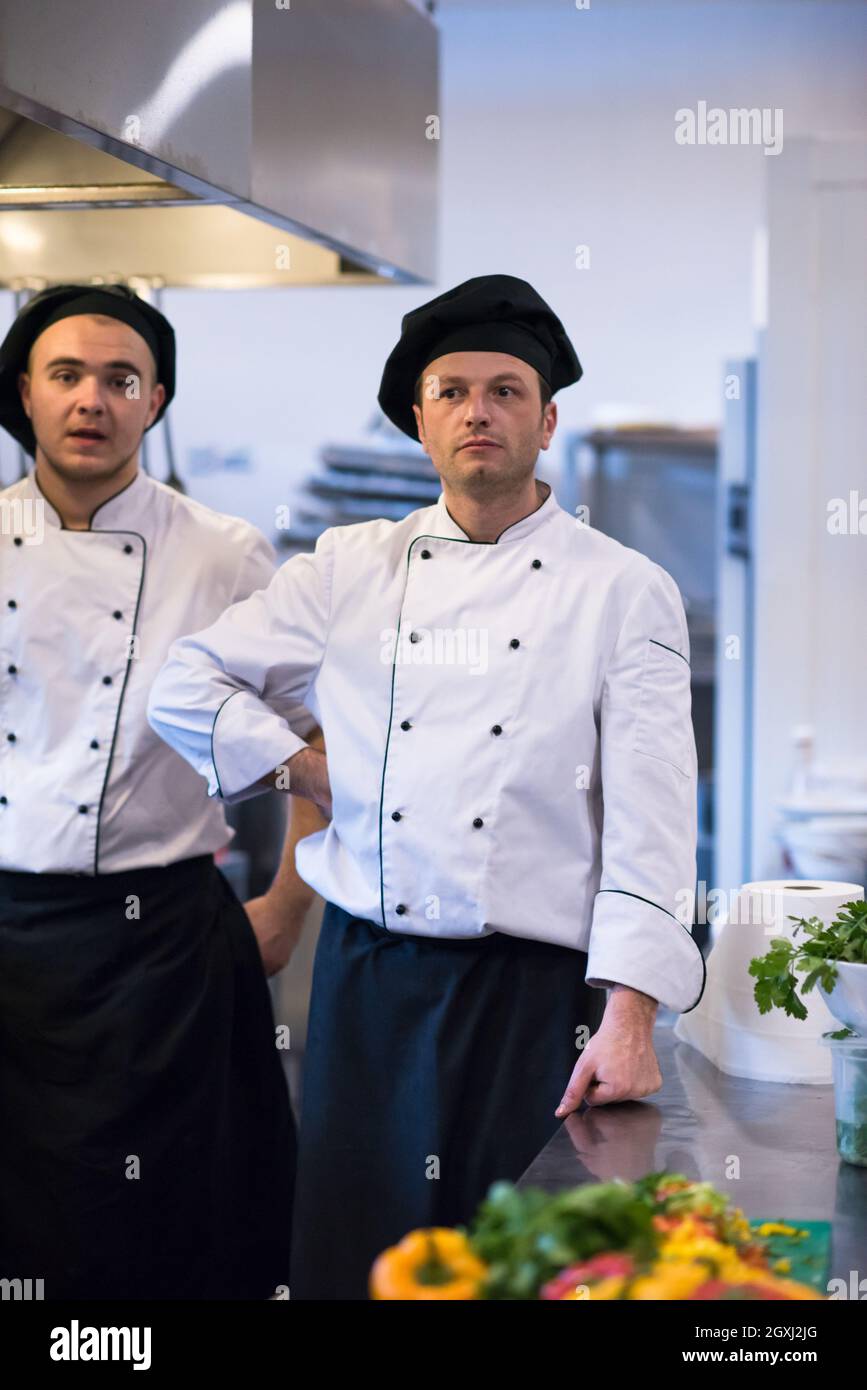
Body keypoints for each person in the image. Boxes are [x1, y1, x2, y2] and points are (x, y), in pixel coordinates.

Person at [147, 273, 706, 1300]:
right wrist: (300, 764)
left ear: (546, 420)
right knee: (361, 1256)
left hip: (538, 994)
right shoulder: (348, 565)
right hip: (369, 983)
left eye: (504, 391)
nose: (477, 412)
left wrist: (633, 1012)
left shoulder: (623, 588)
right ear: (421, 420)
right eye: (452, 391)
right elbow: (182, 685)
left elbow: (654, 820)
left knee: (519, 1261)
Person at [0, 283, 315, 1299]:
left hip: (162, 944)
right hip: (6, 932)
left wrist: (287, 899)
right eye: (67, 375)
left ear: (156, 399)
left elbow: (314, 734)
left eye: (120, 378)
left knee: (178, 1227)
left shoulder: (220, 552)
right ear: (25, 395)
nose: (93, 398)